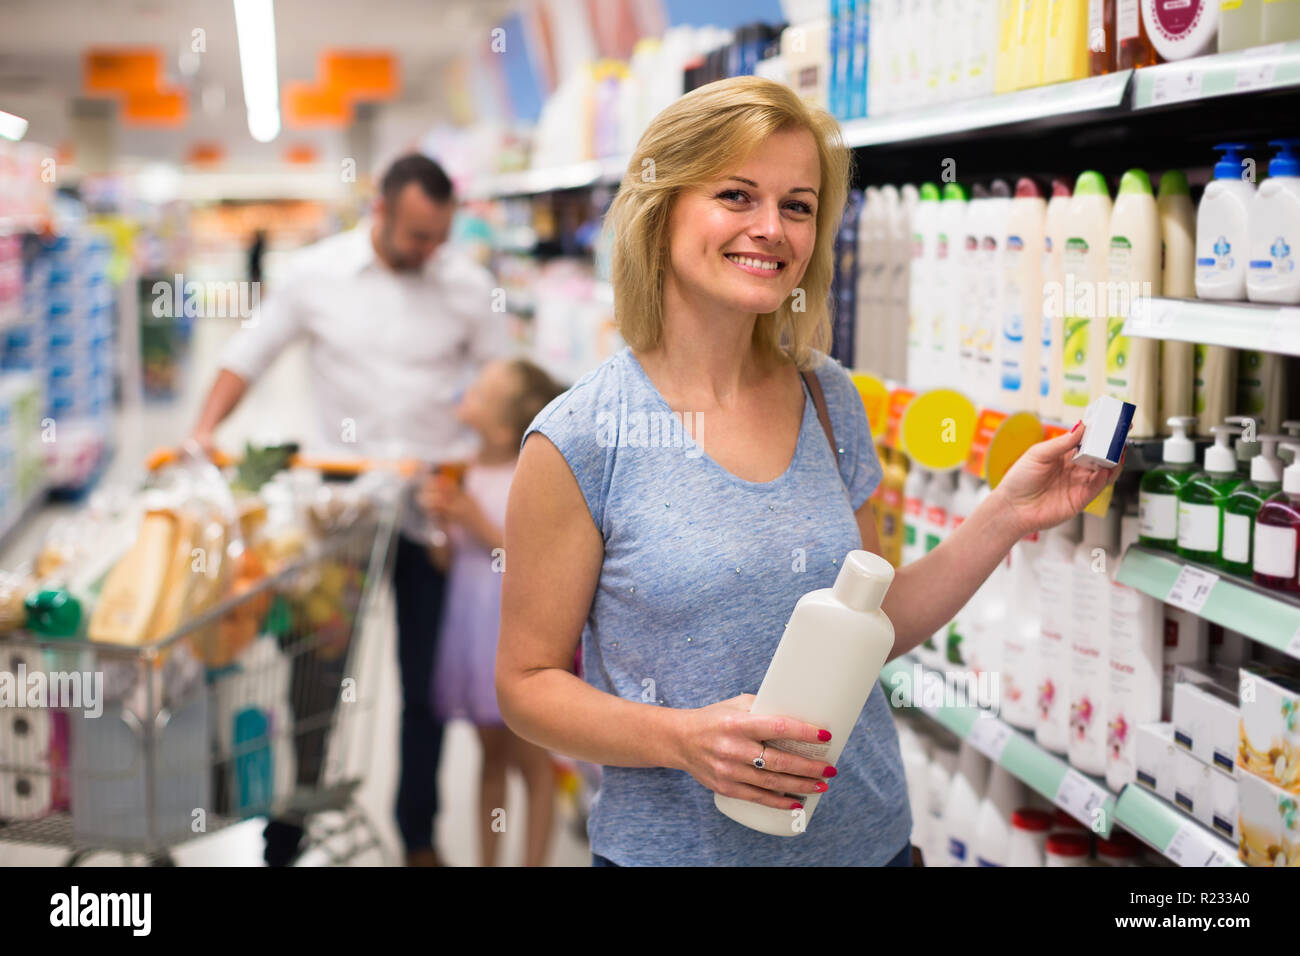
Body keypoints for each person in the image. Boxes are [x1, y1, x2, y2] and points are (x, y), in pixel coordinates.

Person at [496, 76, 1122, 867]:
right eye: (736, 195)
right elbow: (526, 683)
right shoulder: (582, 438)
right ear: (660, 210)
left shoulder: (827, 398)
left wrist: (1006, 514)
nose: (771, 229)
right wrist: (683, 740)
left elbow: (872, 622)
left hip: (869, 843)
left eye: (797, 205)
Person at [191, 153, 506, 866]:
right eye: (416, 235)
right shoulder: (316, 275)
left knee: (423, 682)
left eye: (439, 237)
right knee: (317, 677)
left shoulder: (466, 284)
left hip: (432, 507)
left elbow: (500, 384)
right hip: (339, 510)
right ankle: (287, 830)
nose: (428, 250)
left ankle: (418, 833)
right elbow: (249, 352)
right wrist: (203, 428)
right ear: (381, 211)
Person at [419, 358, 564, 866]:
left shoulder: (532, 474)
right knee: (489, 758)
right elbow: (446, 559)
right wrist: (440, 523)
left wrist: (474, 520)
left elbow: (528, 562)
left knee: (533, 758)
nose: (466, 391)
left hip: (518, 633)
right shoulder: (462, 470)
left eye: (479, 392)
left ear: (504, 427)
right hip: (471, 633)